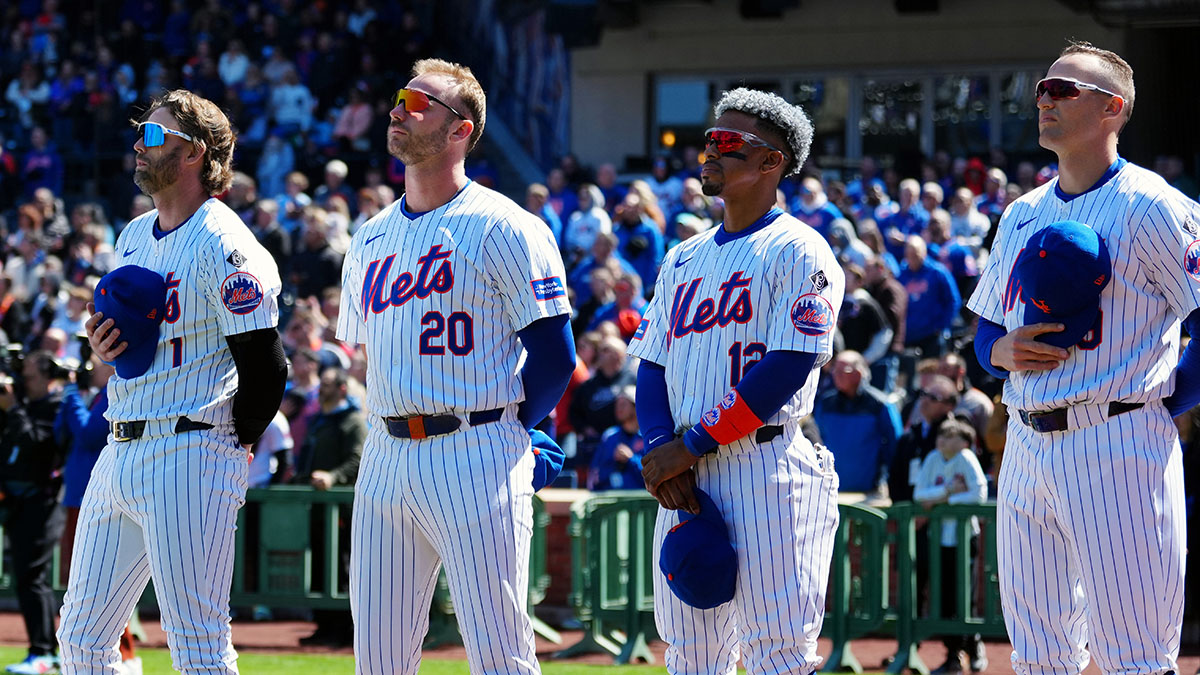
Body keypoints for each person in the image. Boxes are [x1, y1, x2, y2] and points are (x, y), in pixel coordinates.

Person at [335, 59, 575, 673]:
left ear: (460, 130)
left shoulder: (507, 225)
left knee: (499, 653)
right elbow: (366, 354)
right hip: (386, 454)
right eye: (399, 97)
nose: (399, 109)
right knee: (379, 659)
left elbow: (556, 356)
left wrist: (513, 430)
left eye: (419, 103)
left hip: (475, 445)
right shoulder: (370, 236)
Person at [968, 41, 1198, 674]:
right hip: (1025, 440)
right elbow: (986, 330)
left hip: (1117, 436)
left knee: (1134, 654)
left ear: (1112, 110)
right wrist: (999, 352)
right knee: (1038, 655)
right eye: (1043, 88)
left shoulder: (1152, 205)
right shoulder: (1022, 211)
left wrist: (1166, 402)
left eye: (1064, 90)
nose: (1045, 99)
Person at [56, 89, 288, 674]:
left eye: (155, 136)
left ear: (195, 154)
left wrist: (230, 445)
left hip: (191, 445)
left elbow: (267, 364)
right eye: (140, 134)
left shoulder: (226, 243)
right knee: (81, 636)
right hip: (122, 440)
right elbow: (133, 344)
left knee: (197, 643)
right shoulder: (134, 234)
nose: (140, 144)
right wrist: (102, 346)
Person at [631, 88, 844, 672]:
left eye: (728, 143)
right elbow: (652, 363)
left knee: (778, 653)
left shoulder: (800, 249)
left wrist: (690, 445)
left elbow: (789, 364)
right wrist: (659, 451)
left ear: (771, 162)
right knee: (691, 655)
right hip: (684, 475)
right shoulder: (682, 258)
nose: (710, 153)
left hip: (764, 467)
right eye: (709, 141)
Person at [0, 351, 68, 675]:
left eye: (27, 377)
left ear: (46, 376)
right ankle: (41, 652)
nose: (21, 384)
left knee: (33, 578)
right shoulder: (20, 405)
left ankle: (44, 652)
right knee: (27, 578)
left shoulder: (55, 406)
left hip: (41, 503)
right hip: (15, 503)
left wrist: (13, 408)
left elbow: (37, 446)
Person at [912, 418, 988, 675]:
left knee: (964, 595)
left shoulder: (966, 458)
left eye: (950, 434)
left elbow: (978, 494)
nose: (942, 438)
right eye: (940, 433)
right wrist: (947, 492)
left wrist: (944, 502)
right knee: (944, 597)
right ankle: (953, 655)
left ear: (965, 441)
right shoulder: (933, 458)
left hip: (965, 539)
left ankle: (972, 645)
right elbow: (919, 495)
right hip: (939, 540)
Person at [812, 350, 902, 495]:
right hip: (830, 489)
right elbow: (816, 440)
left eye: (843, 370)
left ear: (858, 374)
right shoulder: (825, 403)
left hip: (869, 492)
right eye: (835, 369)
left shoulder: (881, 405)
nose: (836, 374)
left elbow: (894, 445)